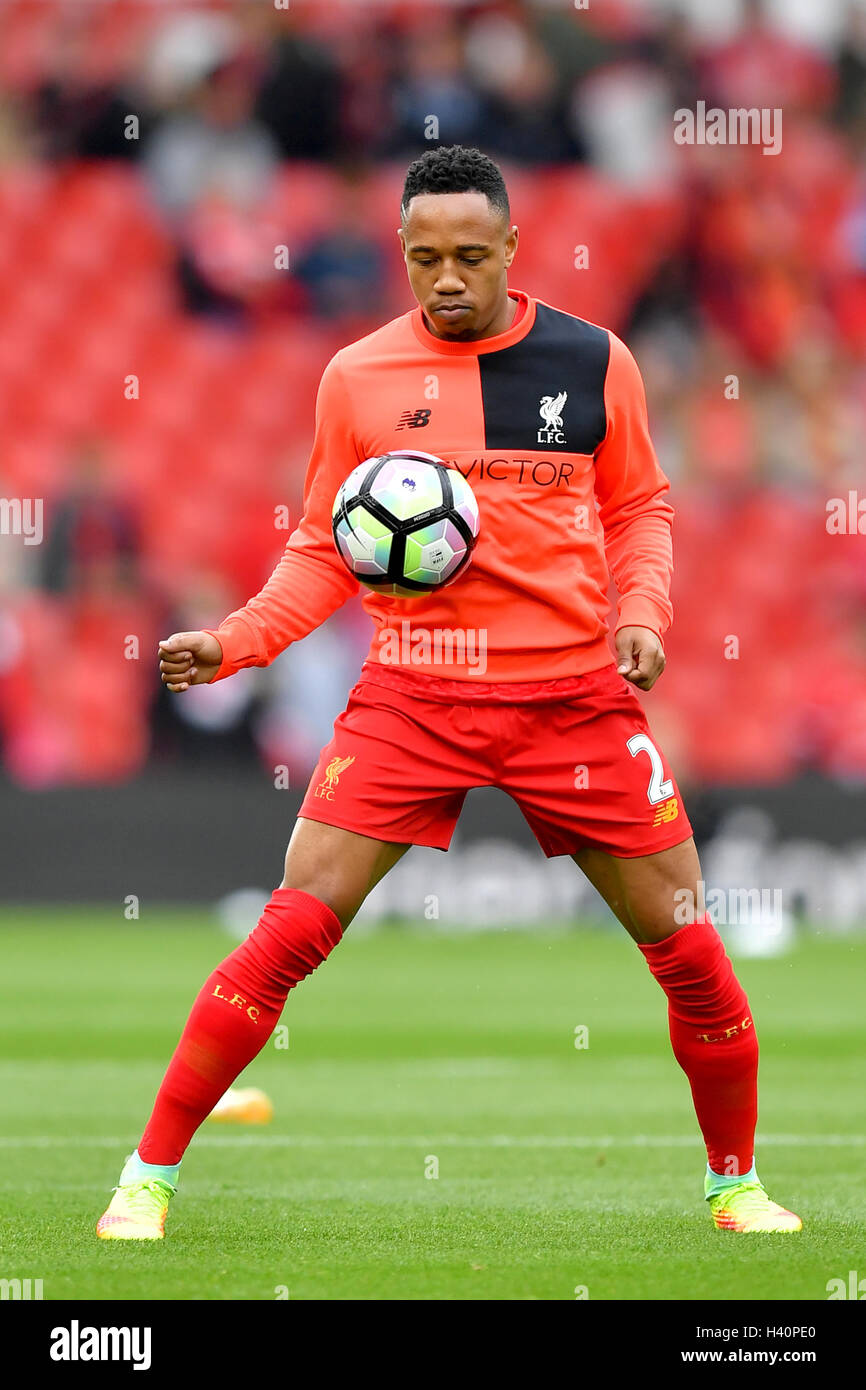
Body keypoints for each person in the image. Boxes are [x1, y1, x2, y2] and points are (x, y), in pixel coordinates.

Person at [97, 145, 800, 1241]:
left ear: (512, 246)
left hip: (572, 700)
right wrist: (234, 643)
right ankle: (145, 1179)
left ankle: (734, 1187)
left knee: (691, 954)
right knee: (287, 934)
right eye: (425, 258)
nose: (448, 278)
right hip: (414, 696)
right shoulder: (357, 377)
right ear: (401, 251)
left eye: (471, 255)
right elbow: (322, 548)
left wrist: (643, 613)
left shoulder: (592, 360)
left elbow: (639, 508)